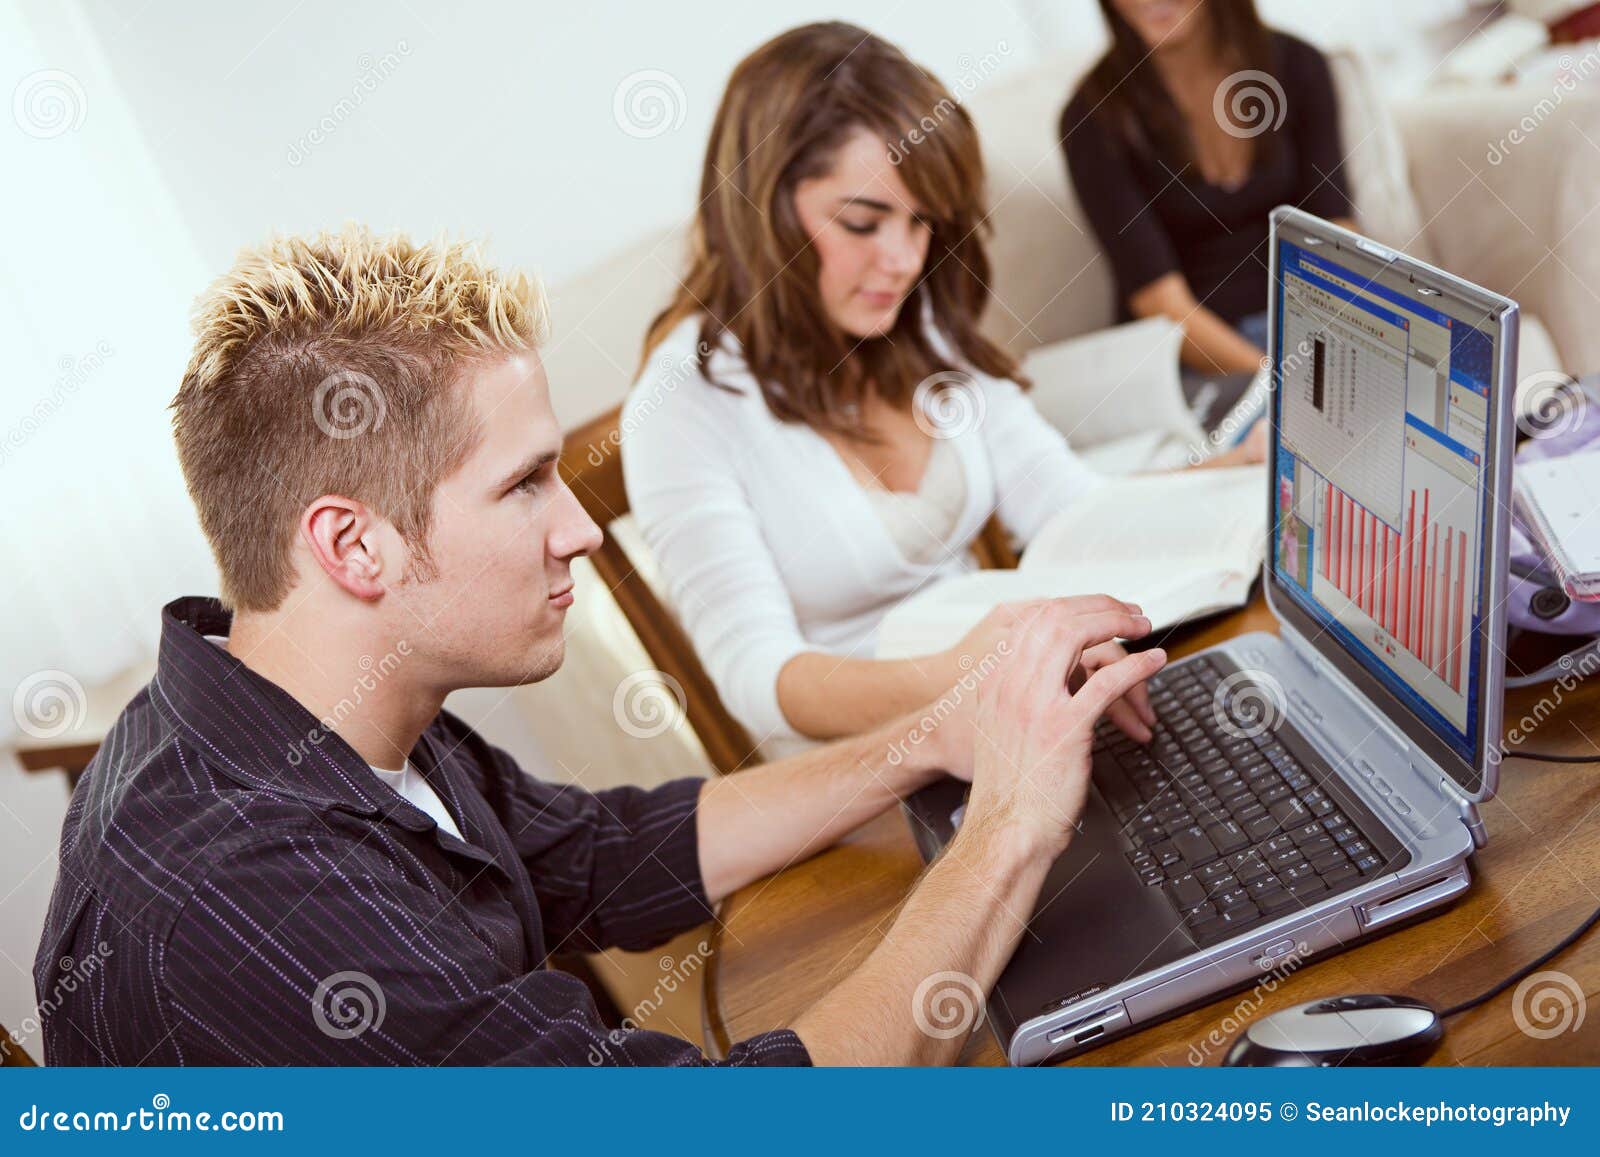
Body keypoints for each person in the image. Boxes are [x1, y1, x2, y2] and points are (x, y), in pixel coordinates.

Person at [33, 225, 1166, 1066]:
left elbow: (605, 854)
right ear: (353, 546)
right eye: (525, 483)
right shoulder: (260, 900)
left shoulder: (300, 700)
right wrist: (1012, 824)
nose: (578, 529)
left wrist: (934, 731)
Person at [623, 22, 1251, 755]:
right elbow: (758, 677)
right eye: (862, 221)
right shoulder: (683, 404)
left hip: (1014, 713)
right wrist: (963, 675)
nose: (901, 260)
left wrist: (1225, 477)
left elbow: (1067, 503)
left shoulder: (916, 324)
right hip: (864, 777)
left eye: (922, 222)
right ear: (762, 210)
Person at [1062, 0, 1355, 376]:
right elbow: (1159, 302)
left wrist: (1342, 341)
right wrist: (1275, 381)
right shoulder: (1091, 118)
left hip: (1303, 324)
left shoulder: (1298, 64)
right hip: (1202, 356)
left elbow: (1338, 232)